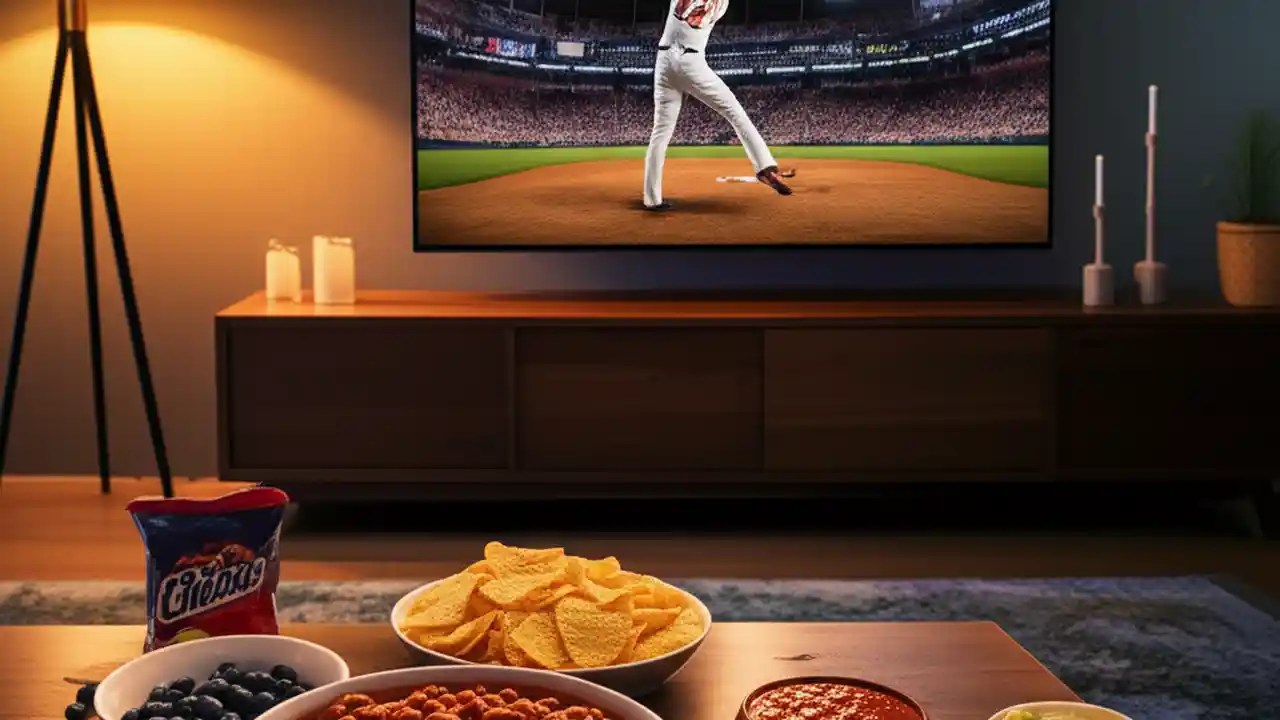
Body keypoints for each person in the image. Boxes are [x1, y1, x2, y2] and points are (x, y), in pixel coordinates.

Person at [643, 0, 792, 211]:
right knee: (734, 112)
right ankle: (764, 167)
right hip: (691, 60)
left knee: (660, 133)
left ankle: (652, 199)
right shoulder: (723, 4)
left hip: (663, 60)